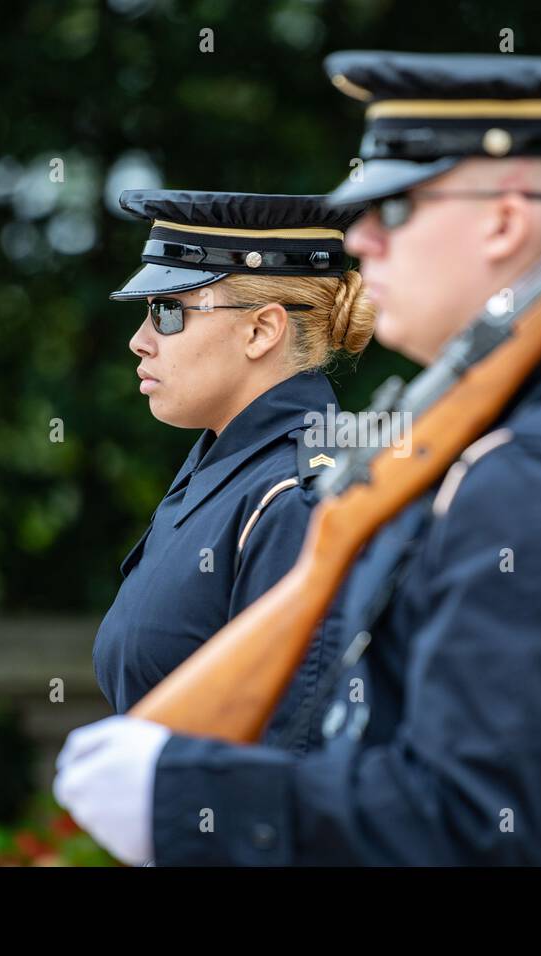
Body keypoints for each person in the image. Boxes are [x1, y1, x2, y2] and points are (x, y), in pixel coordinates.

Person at [56, 52, 541, 866]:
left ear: (503, 220)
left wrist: (187, 794)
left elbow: (472, 821)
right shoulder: (492, 450)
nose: (360, 239)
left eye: (397, 206)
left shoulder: (524, 481)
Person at [92, 190, 375, 754]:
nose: (139, 341)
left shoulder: (296, 495)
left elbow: (297, 756)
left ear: (261, 331)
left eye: (167, 311)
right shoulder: (228, 465)